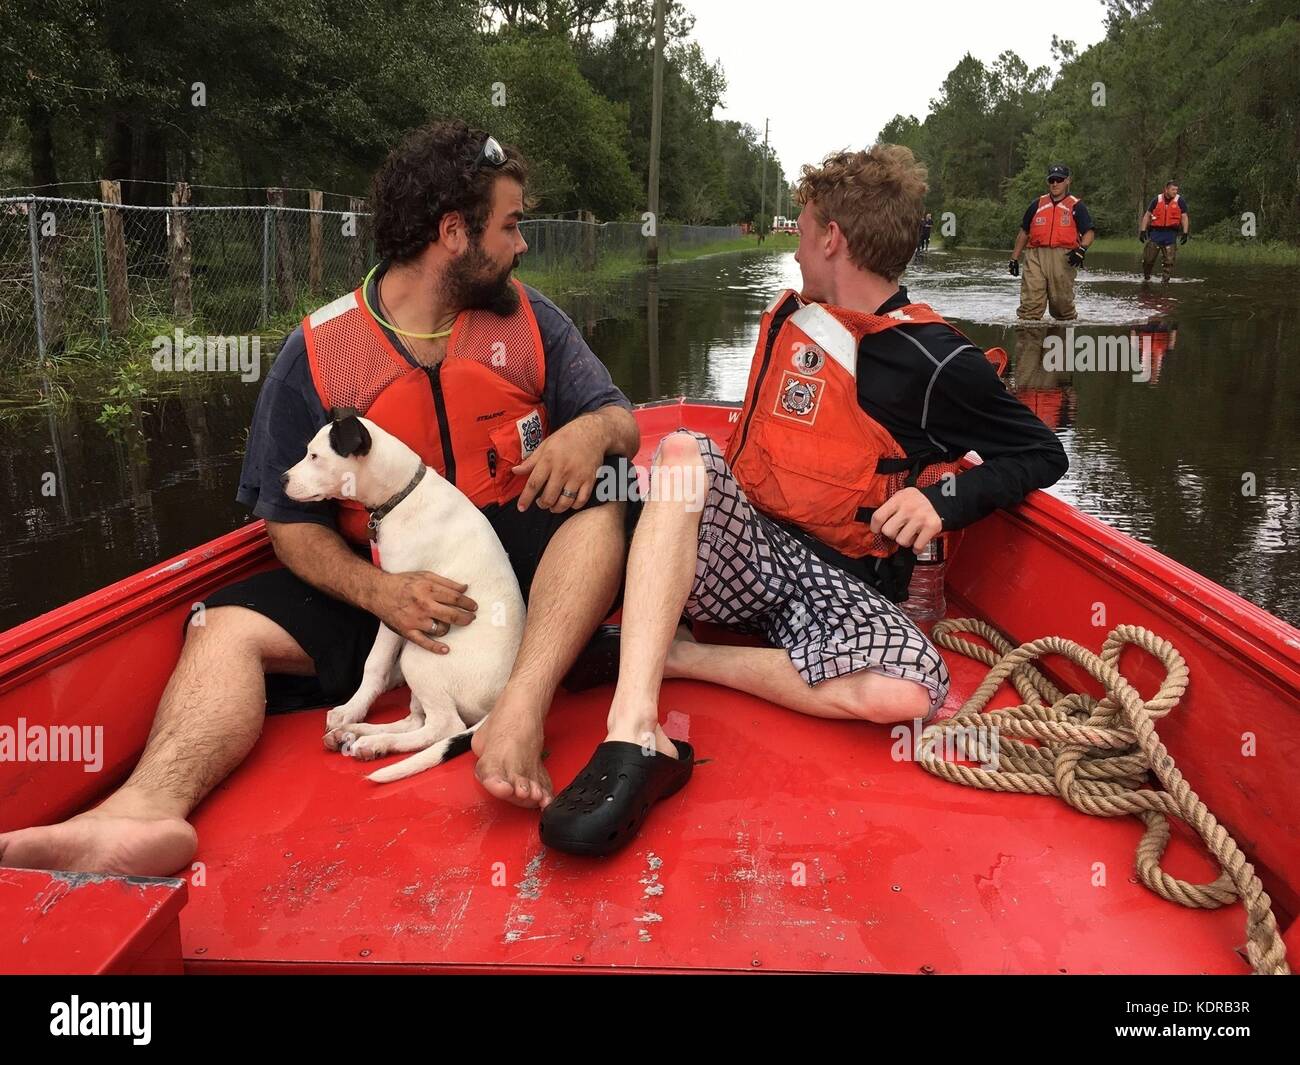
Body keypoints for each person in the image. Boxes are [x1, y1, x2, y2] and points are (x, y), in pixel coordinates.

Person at [0, 120, 642, 877]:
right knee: (221, 629)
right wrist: (384, 594)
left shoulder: (533, 322)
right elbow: (290, 526)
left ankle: (524, 703)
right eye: (510, 226)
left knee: (613, 495)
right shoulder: (316, 353)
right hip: (378, 589)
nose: (522, 245)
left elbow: (623, 419)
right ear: (452, 233)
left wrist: (592, 431)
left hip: (518, 585)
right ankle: (142, 813)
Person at [539, 144, 1069, 856]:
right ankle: (635, 728)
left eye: (801, 227)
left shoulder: (940, 362)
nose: (794, 247)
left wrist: (946, 500)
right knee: (679, 452)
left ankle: (674, 658)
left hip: (835, 588)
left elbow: (1042, 451)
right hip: (749, 553)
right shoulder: (794, 317)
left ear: (832, 238)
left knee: (911, 691)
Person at [1009, 164, 1096, 321]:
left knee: (1061, 305)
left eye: (1059, 180)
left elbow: (1089, 233)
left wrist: (1082, 250)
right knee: (1030, 306)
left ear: (1067, 181)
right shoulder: (1036, 205)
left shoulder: (1077, 206)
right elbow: (1024, 232)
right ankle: (1028, 341)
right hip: (1035, 256)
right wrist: (1014, 258)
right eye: (1052, 180)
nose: (1055, 183)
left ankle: (1062, 338)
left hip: (1063, 258)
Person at [1139, 181, 1189, 282]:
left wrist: (1185, 232)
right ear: (1166, 189)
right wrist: (1143, 230)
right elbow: (1147, 215)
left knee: (1169, 262)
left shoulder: (1180, 201)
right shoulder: (1156, 200)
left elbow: (1184, 217)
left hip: (1170, 235)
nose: (1175, 192)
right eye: (1173, 190)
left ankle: (1165, 281)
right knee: (1148, 260)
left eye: (1176, 190)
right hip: (1156, 234)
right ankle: (1146, 278)